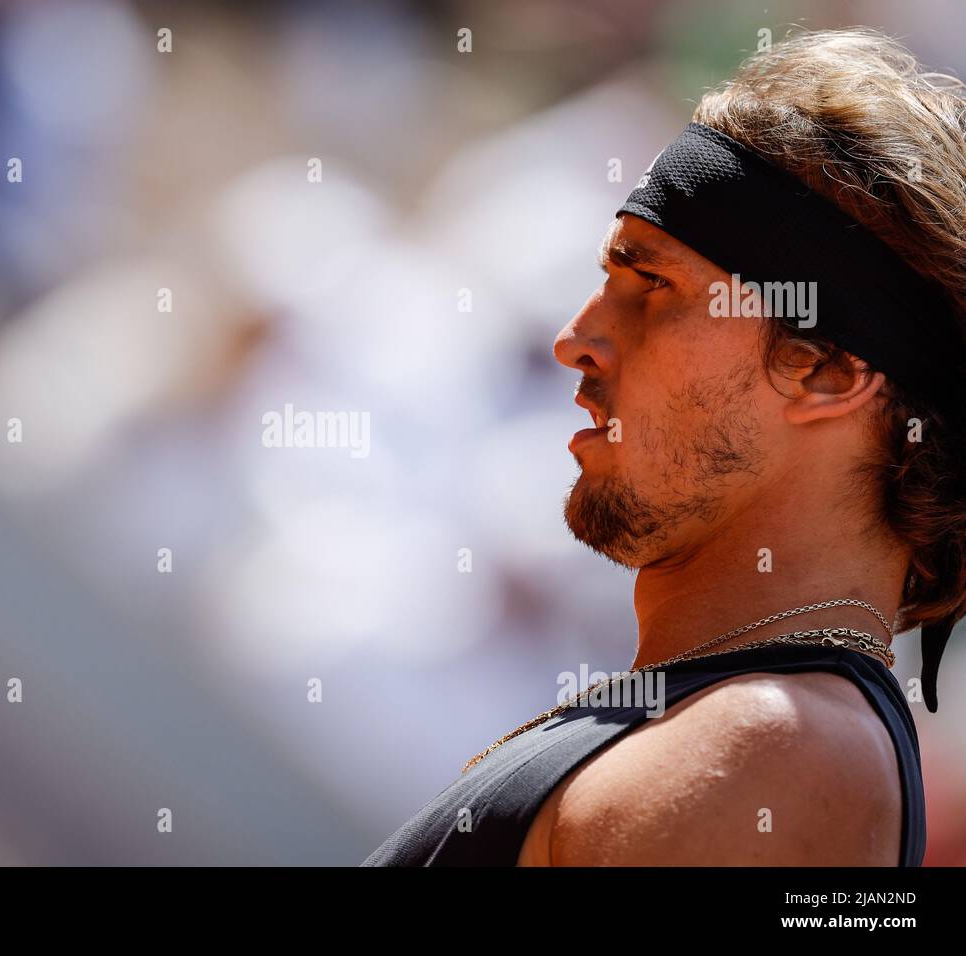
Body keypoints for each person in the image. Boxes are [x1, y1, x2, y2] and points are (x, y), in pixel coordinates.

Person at [364, 28, 966, 866]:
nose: (575, 340)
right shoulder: (754, 726)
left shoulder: (778, 750)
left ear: (827, 370)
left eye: (651, 287)